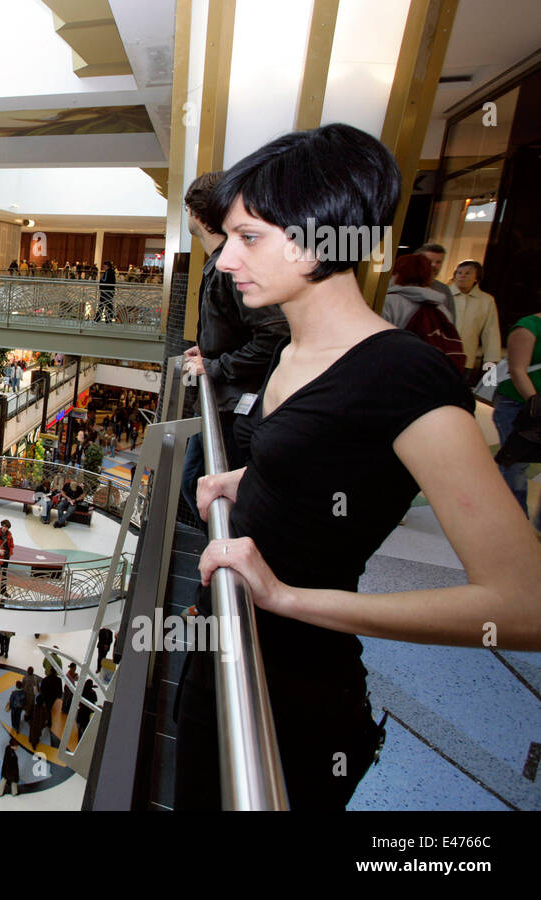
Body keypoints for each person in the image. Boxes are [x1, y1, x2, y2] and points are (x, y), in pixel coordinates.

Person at [176, 123, 541, 810]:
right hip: (229, 651)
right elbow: (325, 458)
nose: (225, 261)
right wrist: (250, 479)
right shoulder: (295, 352)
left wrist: (287, 597)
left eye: (249, 238)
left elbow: (525, 604)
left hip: (293, 691)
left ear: (319, 239)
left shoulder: (401, 376)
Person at [179, 171, 290, 523]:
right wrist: (208, 354)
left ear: (197, 214)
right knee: (194, 483)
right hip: (223, 401)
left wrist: (214, 366)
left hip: (235, 408)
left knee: (206, 490)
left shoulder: (230, 267)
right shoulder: (220, 265)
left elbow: (273, 337)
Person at [492, 309, 541, 533]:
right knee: (515, 464)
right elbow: (517, 370)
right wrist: (535, 403)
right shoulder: (528, 326)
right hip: (516, 404)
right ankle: (517, 525)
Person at [449, 260, 501, 385]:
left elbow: (491, 333)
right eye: (459, 272)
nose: (462, 276)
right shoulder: (443, 295)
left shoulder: (486, 301)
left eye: (467, 273)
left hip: (465, 360)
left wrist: (491, 364)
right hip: (439, 356)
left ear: (476, 278)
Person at [416, 241, 456, 311]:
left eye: (438, 262)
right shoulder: (400, 285)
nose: (434, 265)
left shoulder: (444, 290)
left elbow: (450, 320)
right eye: (429, 261)